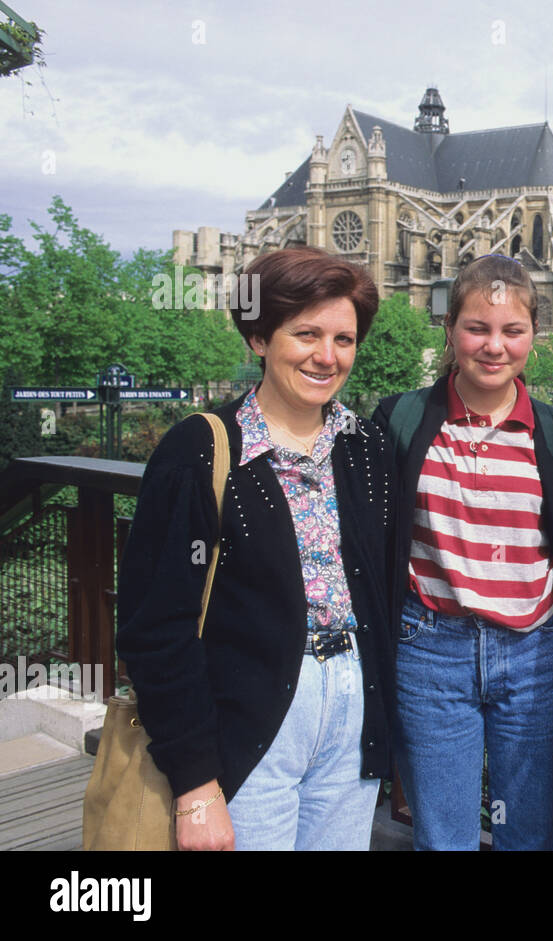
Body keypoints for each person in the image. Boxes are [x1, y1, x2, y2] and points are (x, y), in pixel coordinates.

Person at [117, 246, 393, 851]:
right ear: (259, 339)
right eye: (307, 334)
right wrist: (195, 787)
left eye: (344, 339)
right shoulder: (199, 450)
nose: (328, 356)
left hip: (351, 713)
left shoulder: (363, 445)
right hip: (249, 721)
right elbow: (156, 627)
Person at [373, 254, 553, 851]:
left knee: (530, 834)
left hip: (535, 656)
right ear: (449, 331)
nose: (494, 346)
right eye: (477, 328)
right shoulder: (403, 420)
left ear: (533, 338)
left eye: (512, 331)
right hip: (430, 652)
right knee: (443, 839)